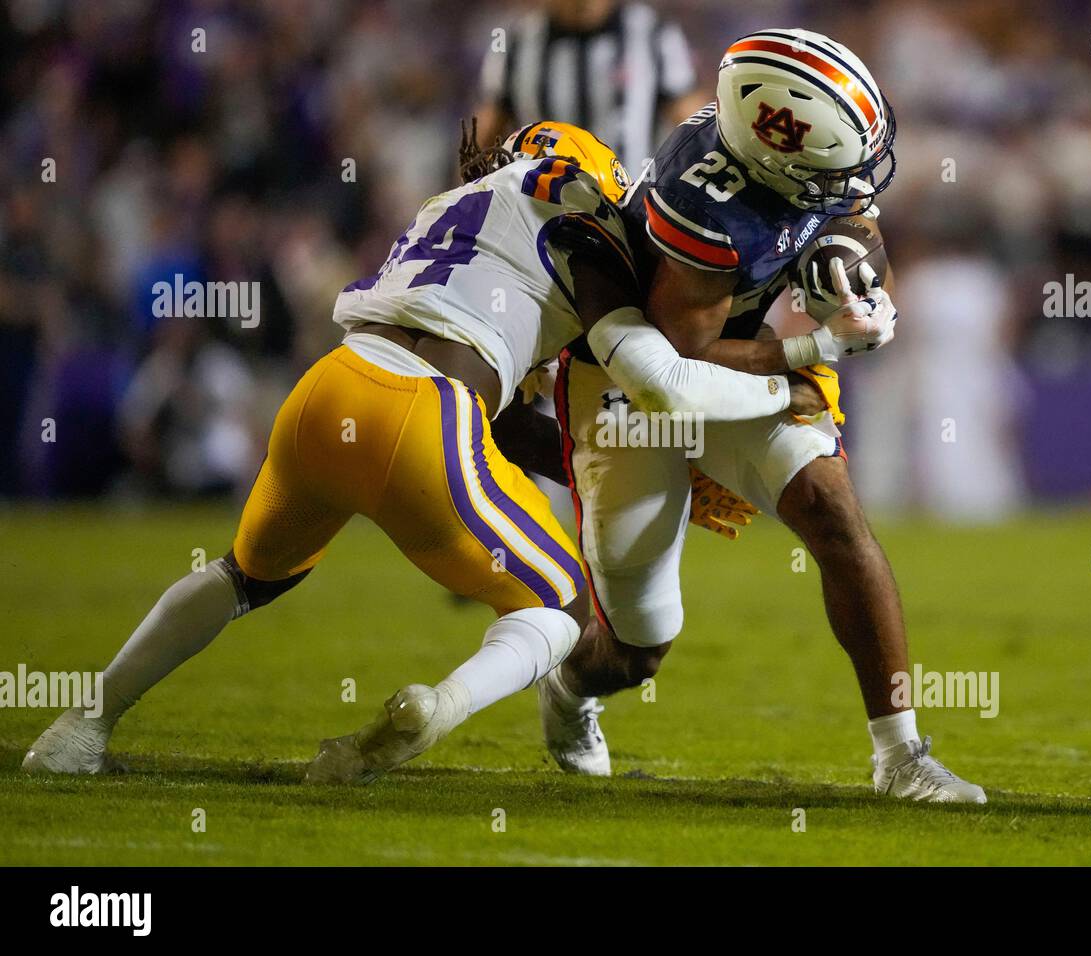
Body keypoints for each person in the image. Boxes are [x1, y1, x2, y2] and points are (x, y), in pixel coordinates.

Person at [24, 120, 829, 783]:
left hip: (325, 392)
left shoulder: (451, 204)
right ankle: (430, 710)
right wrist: (790, 366)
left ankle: (79, 729)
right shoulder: (587, 225)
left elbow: (512, 422)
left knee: (241, 576)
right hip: (423, 412)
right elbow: (653, 375)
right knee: (561, 605)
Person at [540, 28, 987, 802]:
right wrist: (819, 348)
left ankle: (902, 755)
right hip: (632, 385)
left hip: (730, 353)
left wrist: (850, 268)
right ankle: (570, 687)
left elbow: (857, 215)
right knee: (638, 647)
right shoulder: (707, 207)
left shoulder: (790, 149)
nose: (857, 173)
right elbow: (680, 363)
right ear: (775, 154)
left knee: (832, 509)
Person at [474, 0, 699, 174]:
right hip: (537, 211)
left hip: (630, 210)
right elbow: (486, 133)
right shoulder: (517, 41)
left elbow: (694, 128)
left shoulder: (653, 33)